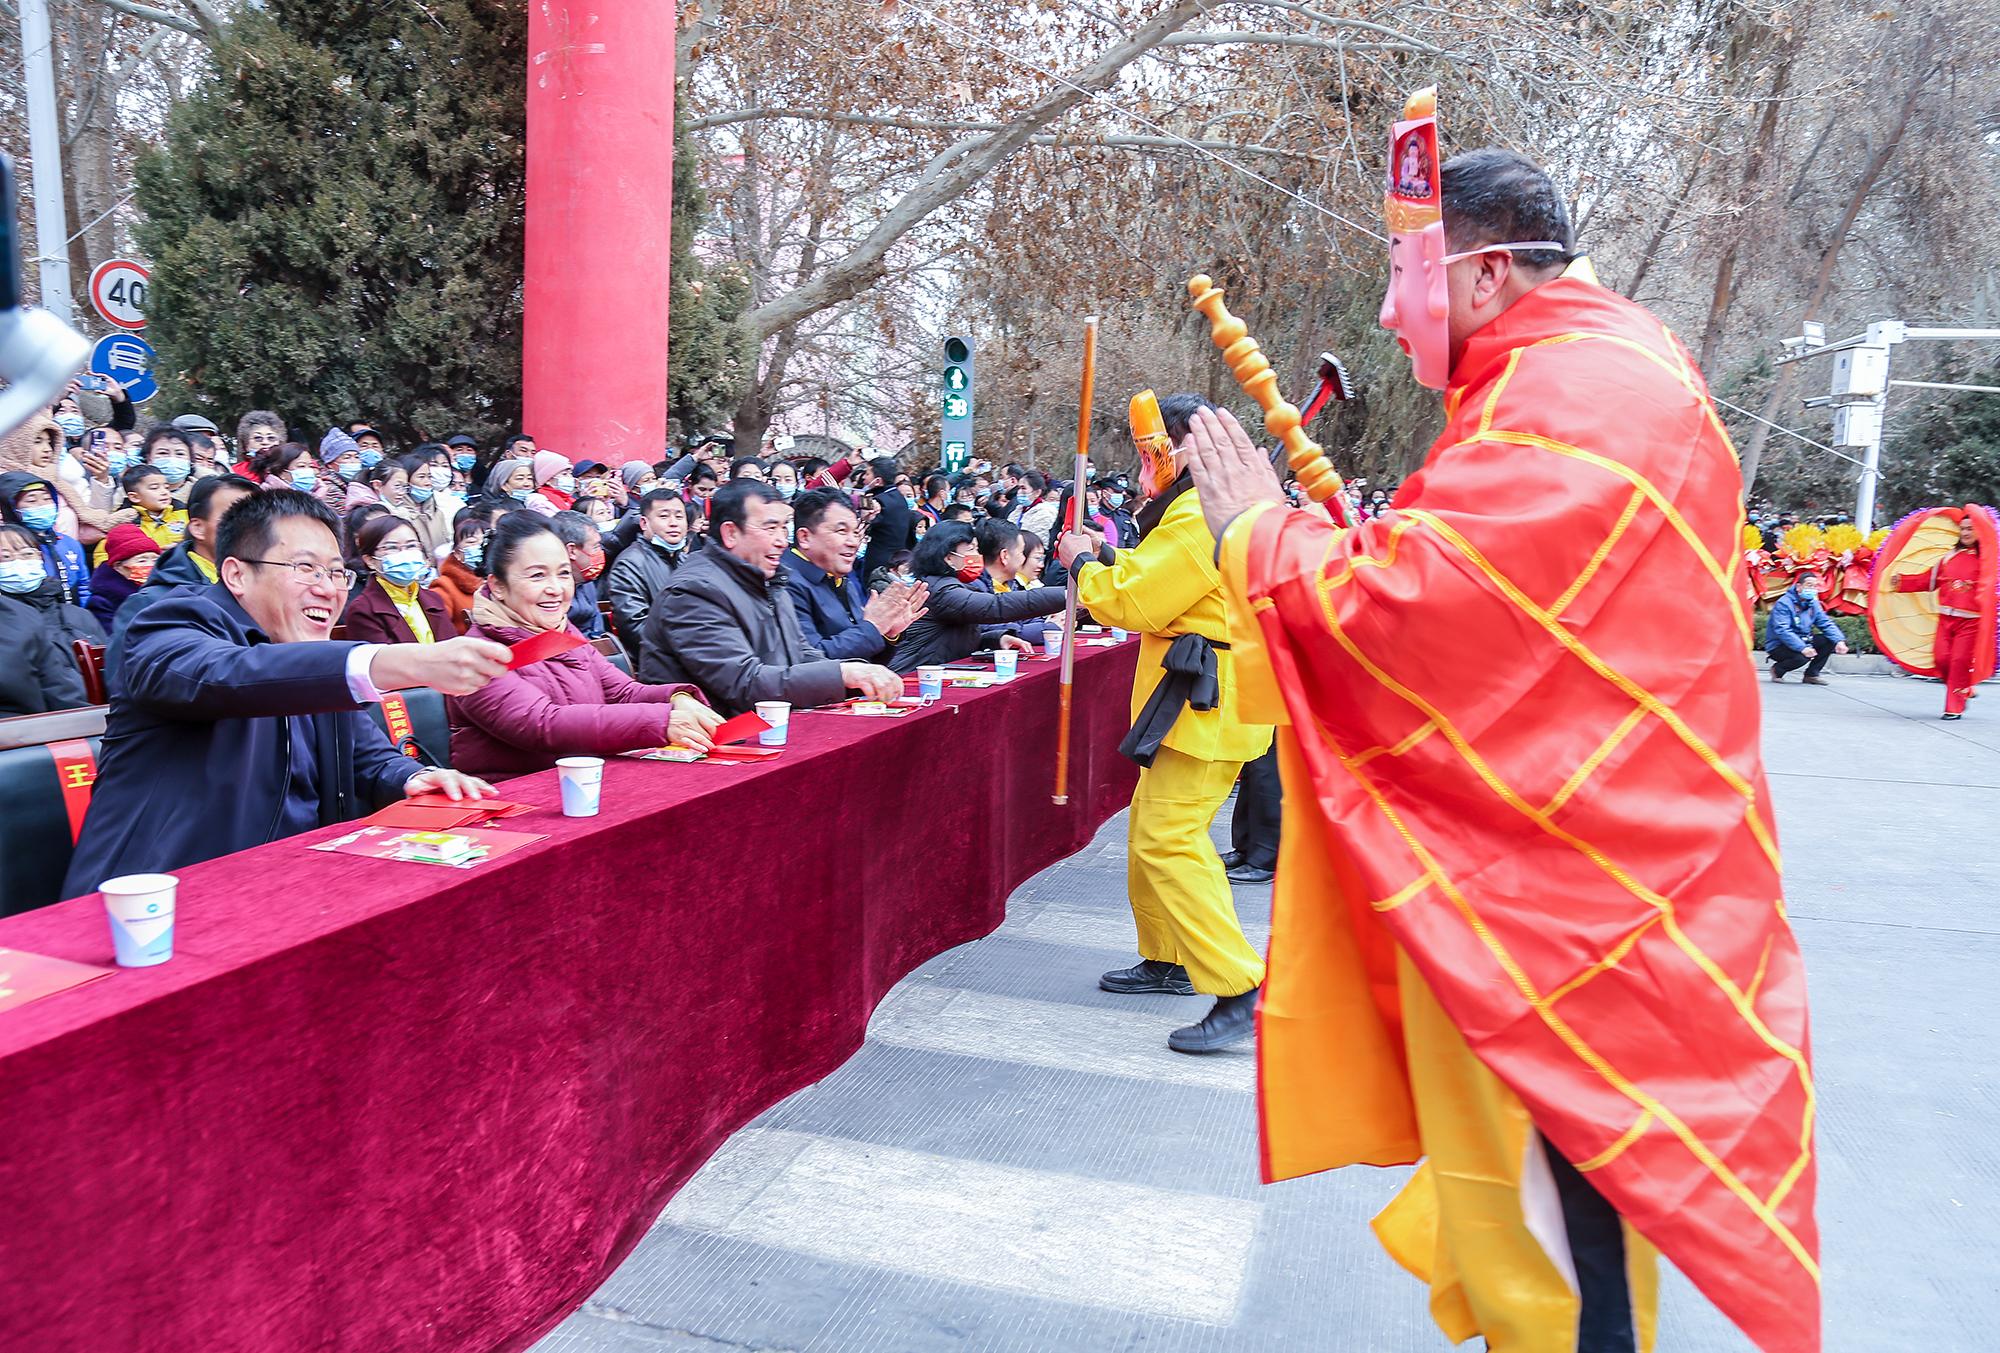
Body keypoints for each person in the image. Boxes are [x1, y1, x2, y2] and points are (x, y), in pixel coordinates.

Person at [1181, 108, 1815, 1353]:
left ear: (1483, 271)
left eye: (1398, 280)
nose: (1382, 314)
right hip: (1567, 850)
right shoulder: (1583, 371)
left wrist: (1258, 534)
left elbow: (1426, 605)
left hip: (1569, 892)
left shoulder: (1575, 387)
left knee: (1555, 1232)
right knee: (1534, 1215)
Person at [61, 490, 511, 897]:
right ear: (236, 574)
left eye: (337, 572)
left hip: (288, 886)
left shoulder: (309, 653)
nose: (328, 588)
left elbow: (367, 757)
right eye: (305, 568)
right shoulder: (169, 624)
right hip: (157, 900)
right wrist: (399, 661)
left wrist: (410, 778)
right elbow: (225, 676)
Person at [1054, 390, 1275, 1053]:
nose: (1145, 463)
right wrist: (1104, 559)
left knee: (1169, 839)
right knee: (1155, 828)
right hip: (1200, 697)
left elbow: (1134, 601)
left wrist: (1081, 564)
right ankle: (1170, 955)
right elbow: (1155, 582)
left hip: (1207, 702)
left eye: (1152, 451)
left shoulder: (1199, 513)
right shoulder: (1198, 510)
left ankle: (1238, 985)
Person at [448, 514, 722, 776]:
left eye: (564, 573)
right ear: (497, 586)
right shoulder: (475, 656)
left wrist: (677, 699)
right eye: (537, 576)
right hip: (514, 799)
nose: (556, 588)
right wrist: (660, 721)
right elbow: (544, 724)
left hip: (584, 780)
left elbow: (623, 692)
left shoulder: (562, 632)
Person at [638, 480, 902, 714]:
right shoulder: (695, 591)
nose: (782, 541)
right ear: (731, 533)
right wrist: (842, 674)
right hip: (707, 737)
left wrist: (860, 674)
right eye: (770, 528)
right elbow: (744, 683)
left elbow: (802, 656)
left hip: (765, 725)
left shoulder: (769, 580)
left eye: (783, 527)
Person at [105, 473, 260, 688]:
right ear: (197, 527)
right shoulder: (151, 602)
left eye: (258, 518)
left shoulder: (268, 589)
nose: (251, 528)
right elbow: (124, 682)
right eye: (235, 516)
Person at [889, 521, 1065, 673]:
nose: (978, 556)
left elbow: (956, 638)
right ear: (949, 558)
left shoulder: (951, 583)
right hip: (910, 677)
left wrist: (996, 638)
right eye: (971, 549)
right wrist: (1064, 595)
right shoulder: (940, 590)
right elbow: (996, 607)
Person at [783, 488, 927, 662]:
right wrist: (873, 627)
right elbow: (812, 662)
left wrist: (888, 633)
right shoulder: (786, 583)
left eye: (856, 533)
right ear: (805, 537)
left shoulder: (842, 579)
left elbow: (865, 661)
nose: (853, 543)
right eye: (841, 531)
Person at [1888, 508, 1989, 718]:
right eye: (1963, 529)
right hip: (1946, 618)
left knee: (1959, 661)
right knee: (1941, 659)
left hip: (1971, 622)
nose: (1966, 533)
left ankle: (1954, 707)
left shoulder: (1989, 561)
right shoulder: (1949, 556)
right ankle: (1964, 687)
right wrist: (1903, 582)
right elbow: (1931, 580)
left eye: (1970, 529)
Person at [0, 521, 104, 715]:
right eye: (5, 557)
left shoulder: (79, 615)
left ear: (40, 558)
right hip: (28, 732)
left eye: (27, 554)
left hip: (96, 725)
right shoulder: (6, 623)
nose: (18, 562)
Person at [605, 489, 698, 659]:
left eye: (679, 516)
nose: (673, 523)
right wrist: (691, 644)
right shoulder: (629, 564)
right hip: (659, 660)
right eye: (664, 516)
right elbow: (635, 627)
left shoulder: (686, 561)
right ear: (644, 523)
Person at [341, 515, 454, 645]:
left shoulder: (434, 599)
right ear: (370, 560)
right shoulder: (363, 610)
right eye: (392, 547)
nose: (404, 554)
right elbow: (385, 662)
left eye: (411, 545)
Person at [0, 471, 92, 609]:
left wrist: (83, 615)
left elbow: (83, 585)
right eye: (31, 501)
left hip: (73, 618)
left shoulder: (68, 543)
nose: (42, 505)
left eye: (47, 499)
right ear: (12, 508)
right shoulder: (7, 546)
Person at [1765, 573, 1847, 685]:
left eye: (1815, 586)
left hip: (1803, 639)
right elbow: (1782, 630)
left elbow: (1825, 623)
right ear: (1799, 587)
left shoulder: (1813, 604)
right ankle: (1778, 670)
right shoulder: (1784, 603)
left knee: (1829, 640)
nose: (1812, 589)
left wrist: (1839, 641)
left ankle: (1811, 675)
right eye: (1809, 585)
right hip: (1779, 645)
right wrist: (1802, 648)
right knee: (1802, 657)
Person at [85, 524, 161, 630]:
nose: (151, 565)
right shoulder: (101, 602)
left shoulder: (166, 591)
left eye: (155, 560)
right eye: (142, 561)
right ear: (118, 566)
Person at [546, 510, 608, 638]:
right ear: (572, 550)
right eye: (596, 547)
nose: (600, 552)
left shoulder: (585, 579)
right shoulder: (550, 591)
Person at [859, 455, 917, 582]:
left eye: (867, 473)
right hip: (896, 559)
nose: (863, 477)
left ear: (878, 481)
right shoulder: (896, 496)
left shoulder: (879, 501)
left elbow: (863, 517)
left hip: (879, 563)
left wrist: (863, 497)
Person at [432, 513, 489, 634]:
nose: (480, 546)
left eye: (484, 541)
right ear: (457, 553)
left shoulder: (500, 581)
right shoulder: (444, 586)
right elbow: (439, 630)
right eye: (472, 542)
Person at [525, 450, 576, 515]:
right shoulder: (538, 502)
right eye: (564, 474)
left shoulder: (569, 499)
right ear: (548, 480)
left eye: (570, 473)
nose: (570, 477)